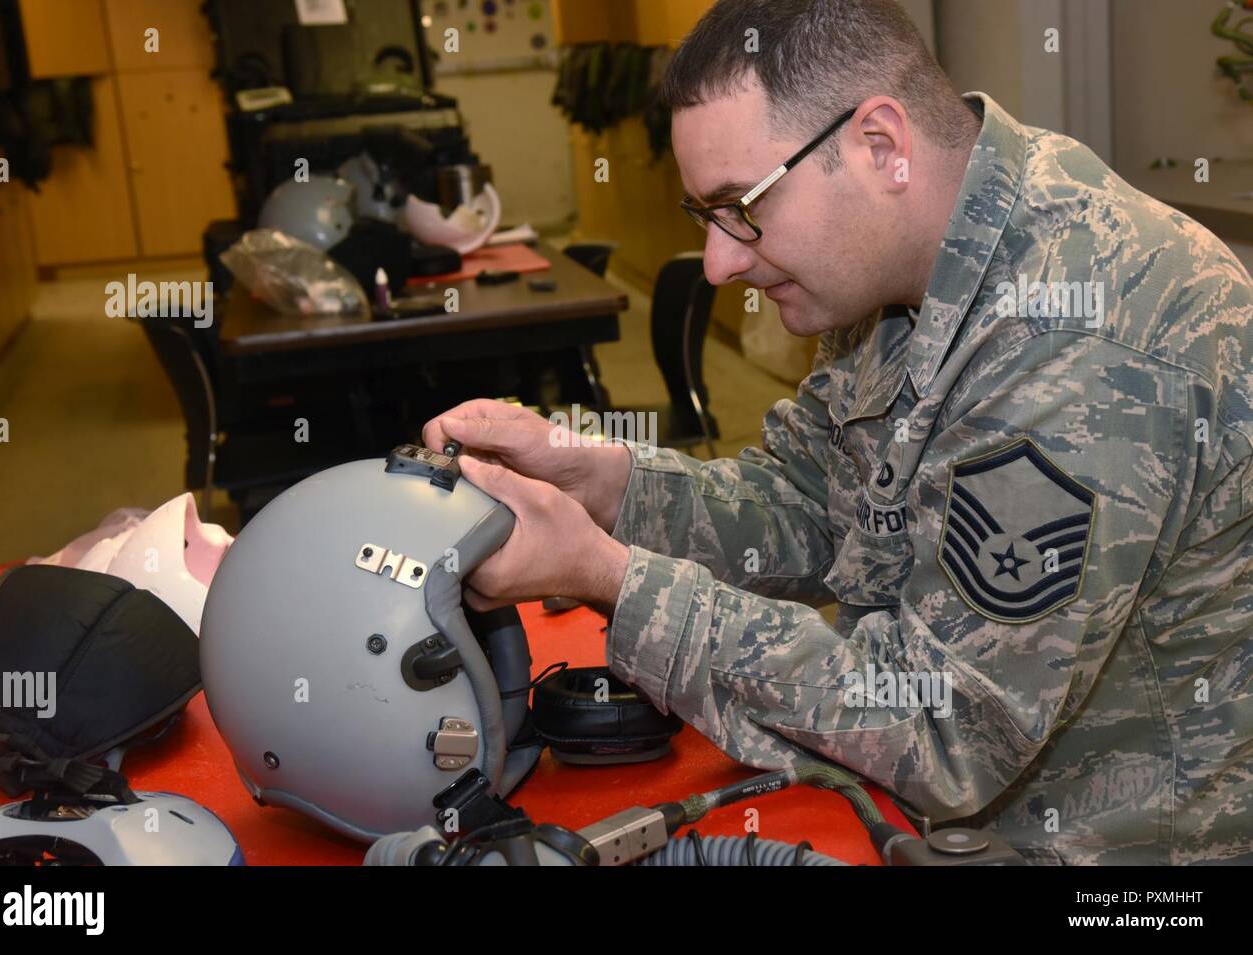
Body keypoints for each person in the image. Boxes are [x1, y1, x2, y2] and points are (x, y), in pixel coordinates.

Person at [424, 0, 1253, 865]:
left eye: (739, 207)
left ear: (882, 148)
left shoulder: (1080, 339)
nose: (718, 263)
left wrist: (610, 578)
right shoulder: (898, 263)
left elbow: (946, 728)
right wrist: (600, 482)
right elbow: (808, 499)